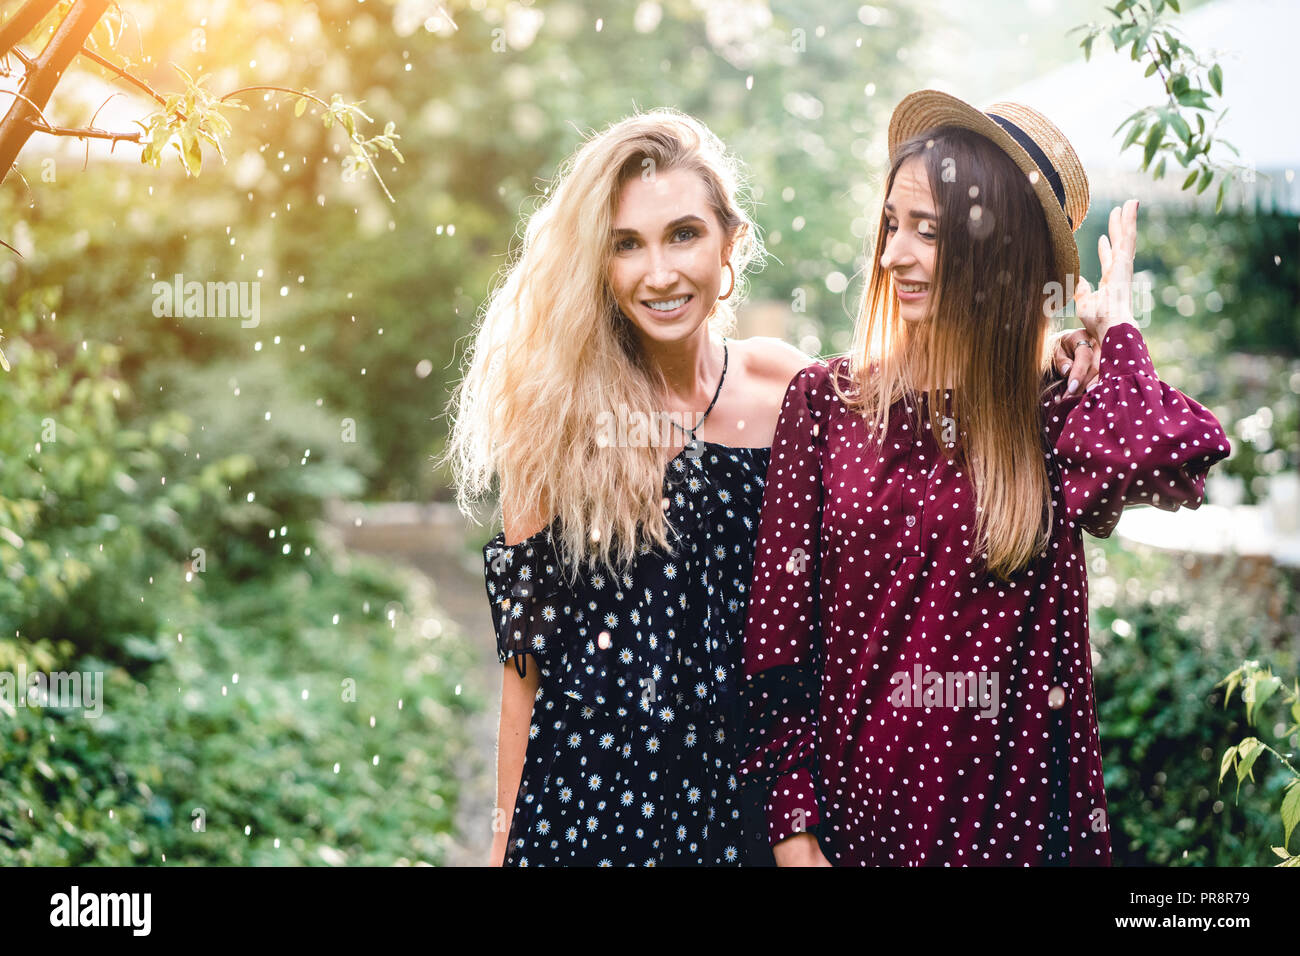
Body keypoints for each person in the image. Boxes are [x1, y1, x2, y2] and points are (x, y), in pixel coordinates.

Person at [738, 90, 1230, 866]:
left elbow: (1172, 462)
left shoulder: (1053, 414)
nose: (893, 254)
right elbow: (777, 650)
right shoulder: (827, 406)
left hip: (1010, 836)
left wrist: (1120, 339)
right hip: (854, 837)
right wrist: (796, 838)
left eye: (927, 232)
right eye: (892, 225)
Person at [444, 108, 813, 865]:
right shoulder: (557, 413)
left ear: (729, 242)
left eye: (684, 234)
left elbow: (931, 403)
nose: (660, 273)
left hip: (741, 807)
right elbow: (527, 660)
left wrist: (1065, 356)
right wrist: (502, 836)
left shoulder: (786, 388)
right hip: (588, 809)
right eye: (627, 245)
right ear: (599, 266)